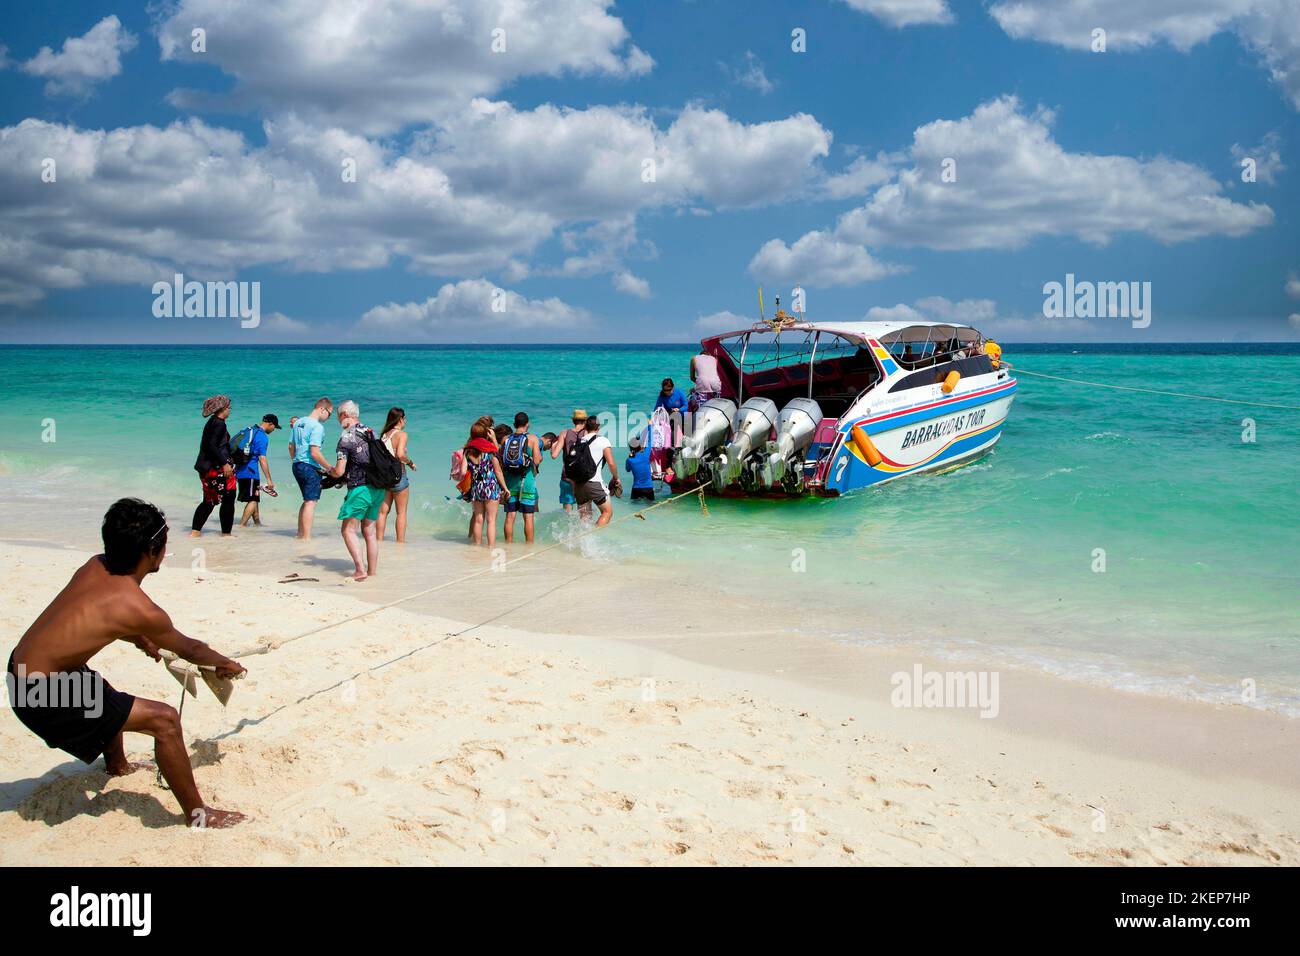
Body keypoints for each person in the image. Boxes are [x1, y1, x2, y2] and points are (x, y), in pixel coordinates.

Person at [9, 499, 246, 828]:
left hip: (20, 675)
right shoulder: (140, 609)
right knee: (164, 720)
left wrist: (138, 637)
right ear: (152, 550)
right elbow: (190, 648)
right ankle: (198, 815)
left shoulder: (95, 565)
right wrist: (226, 663)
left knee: (101, 691)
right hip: (44, 697)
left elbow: (88, 618)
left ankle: (117, 765)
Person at [328, 400, 382, 581]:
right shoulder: (371, 432)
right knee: (370, 531)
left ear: (344, 416)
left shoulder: (346, 438)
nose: (338, 421)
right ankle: (373, 572)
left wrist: (329, 471)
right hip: (378, 488)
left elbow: (340, 470)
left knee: (348, 530)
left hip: (360, 488)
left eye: (338, 417)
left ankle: (360, 570)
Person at [288, 398, 334, 540]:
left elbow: (291, 446)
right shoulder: (317, 427)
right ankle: (306, 537)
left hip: (297, 465)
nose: (329, 417)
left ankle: (300, 533)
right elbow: (314, 452)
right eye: (329, 414)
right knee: (311, 501)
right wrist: (330, 468)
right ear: (322, 409)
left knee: (306, 500)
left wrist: (296, 459)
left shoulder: (298, 423)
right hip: (310, 466)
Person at [191, 394, 236, 537]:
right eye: (229, 407)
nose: (230, 409)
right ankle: (226, 534)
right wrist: (225, 464)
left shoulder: (212, 422)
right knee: (229, 497)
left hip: (206, 467)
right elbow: (211, 445)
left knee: (209, 500)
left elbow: (210, 445)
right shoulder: (219, 423)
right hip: (216, 468)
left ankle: (195, 532)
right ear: (222, 408)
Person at [567, 414, 620, 527]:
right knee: (607, 512)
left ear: (585, 427)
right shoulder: (603, 440)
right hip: (594, 483)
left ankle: (584, 543)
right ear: (598, 428)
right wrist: (616, 478)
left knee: (584, 521)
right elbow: (611, 463)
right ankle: (592, 534)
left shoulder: (578, 442)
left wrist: (574, 487)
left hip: (579, 485)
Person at [501, 412, 542, 544]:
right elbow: (536, 461)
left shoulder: (505, 439)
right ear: (527, 424)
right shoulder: (533, 439)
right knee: (528, 517)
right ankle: (529, 546)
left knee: (510, 515)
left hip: (510, 482)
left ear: (514, 424)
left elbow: (501, 462)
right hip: (527, 481)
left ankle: (508, 544)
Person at [235, 414, 281, 527]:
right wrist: (269, 480)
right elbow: (262, 459)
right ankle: (242, 525)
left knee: (254, 496)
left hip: (240, 470)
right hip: (250, 472)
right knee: (253, 499)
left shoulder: (250, 431)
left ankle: (257, 523)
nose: (274, 430)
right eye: (274, 427)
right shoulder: (262, 437)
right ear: (270, 424)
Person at [377, 407, 416, 543]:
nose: (405, 421)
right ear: (400, 419)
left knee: (382, 512)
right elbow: (400, 454)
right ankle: (400, 543)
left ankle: (379, 541)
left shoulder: (384, 435)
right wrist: (410, 463)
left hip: (385, 477)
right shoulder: (402, 435)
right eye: (404, 418)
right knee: (401, 512)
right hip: (399, 476)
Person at [465, 436, 510, 547]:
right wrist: (505, 488)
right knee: (491, 520)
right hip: (490, 487)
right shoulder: (490, 454)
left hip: (476, 488)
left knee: (478, 519)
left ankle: (476, 545)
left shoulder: (468, 454)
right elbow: (498, 472)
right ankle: (491, 547)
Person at [550, 409, 589, 516]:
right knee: (584, 514)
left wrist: (553, 447)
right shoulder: (588, 433)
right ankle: (586, 532)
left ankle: (567, 532)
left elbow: (554, 456)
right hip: (583, 478)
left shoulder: (564, 433)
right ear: (585, 421)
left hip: (567, 476)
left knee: (567, 515)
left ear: (573, 421)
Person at [625, 431, 655, 502]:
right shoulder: (646, 454)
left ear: (631, 448)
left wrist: (631, 457)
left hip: (636, 489)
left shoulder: (629, 460)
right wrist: (650, 425)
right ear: (640, 446)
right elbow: (650, 440)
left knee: (634, 509)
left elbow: (628, 469)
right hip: (648, 488)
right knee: (651, 506)